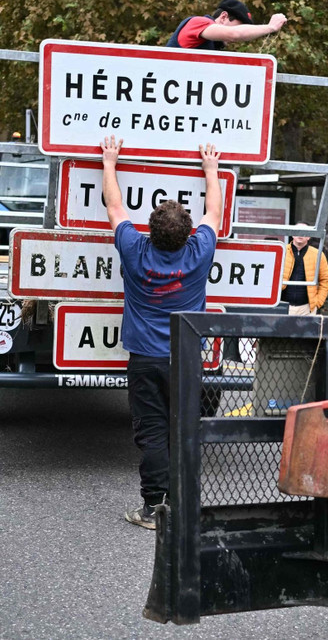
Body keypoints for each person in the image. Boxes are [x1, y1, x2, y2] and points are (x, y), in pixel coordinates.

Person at [102, 135, 224, 530]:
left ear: (150, 230)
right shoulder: (198, 252)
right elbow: (215, 211)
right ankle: (184, 504)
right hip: (186, 358)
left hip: (145, 360)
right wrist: (210, 169)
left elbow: (115, 205)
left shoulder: (134, 250)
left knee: (153, 433)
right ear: (188, 232)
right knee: (183, 430)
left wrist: (109, 161)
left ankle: (153, 509)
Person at [166, 0, 287, 51]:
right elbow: (234, 34)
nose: (235, 40)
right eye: (239, 27)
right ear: (223, 17)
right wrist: (270, 27)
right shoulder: (199, 23)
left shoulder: (213, 45)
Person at [279, 227, 328, 316]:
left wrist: (318, 302)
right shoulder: (281, 251)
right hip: (282, 306)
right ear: (292, 234)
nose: (300, 234)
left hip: (307, 309)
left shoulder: (318, 254)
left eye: (304, 232)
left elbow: (325, 280)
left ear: (309, 237)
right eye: (298, 231)